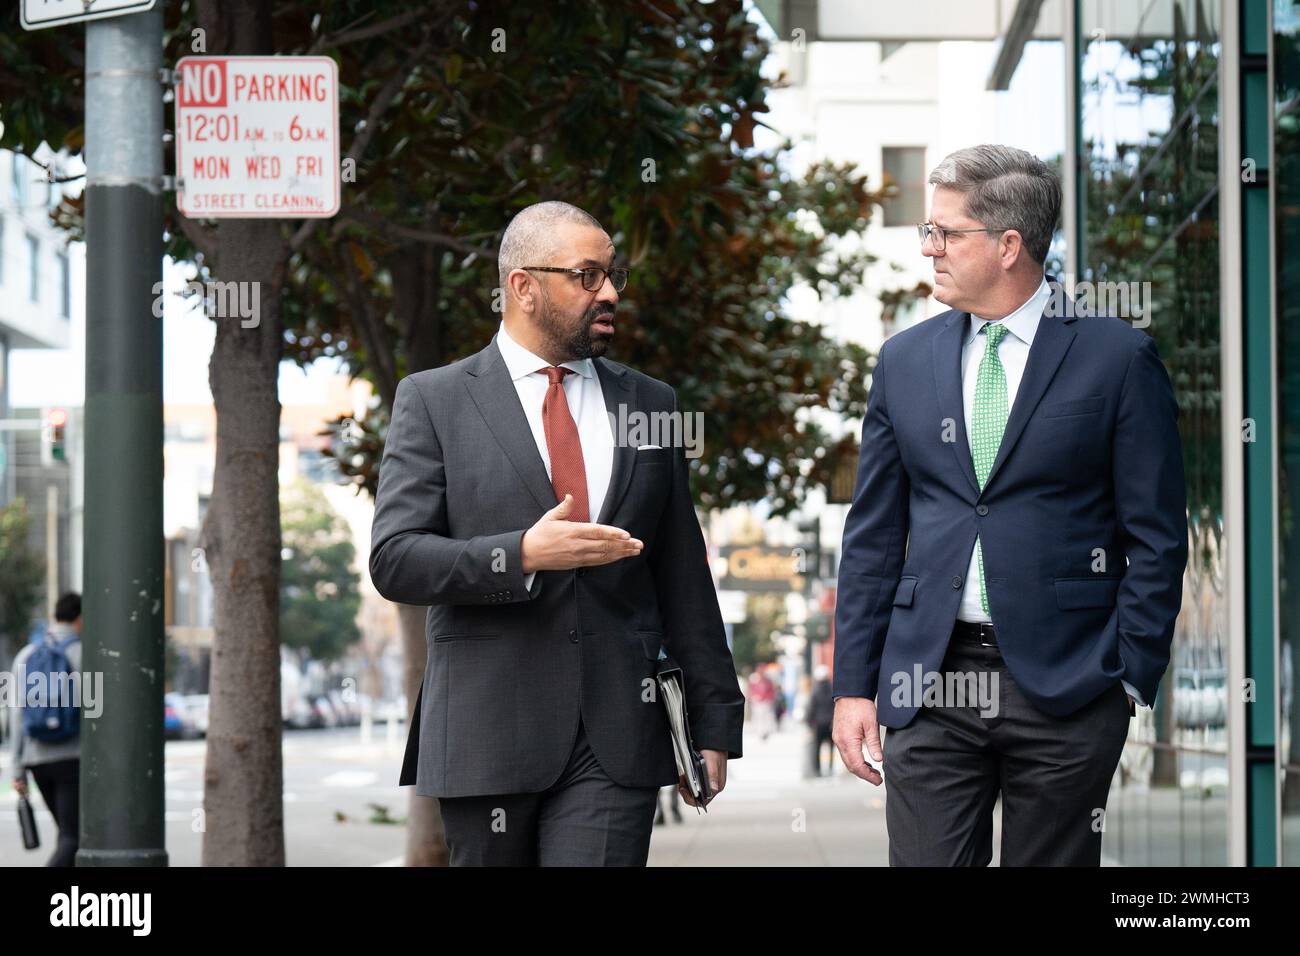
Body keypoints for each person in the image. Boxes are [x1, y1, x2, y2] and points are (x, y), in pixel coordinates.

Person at [832, 144, 1187, 866]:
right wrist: (853, 687)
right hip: (929, 682)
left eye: (945, 232)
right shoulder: (903, 362)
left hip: (1070, 685)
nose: (929, 248)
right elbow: (872, 537)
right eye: (927, 232)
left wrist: (1127, 675)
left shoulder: (1116, 358)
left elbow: (1155, 533)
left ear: (1009, 245)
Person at [369, 200, 744, 866]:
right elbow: (397, 560)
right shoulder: (434, 400)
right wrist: (518, 555)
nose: (611, 293)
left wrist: (714, 721)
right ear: (524, 287)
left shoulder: (650, 404)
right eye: (588, 275)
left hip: (616, 738)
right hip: (486, 737)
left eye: (612, 275)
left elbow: (682, 572)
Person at [10, 592, 84, 867]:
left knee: (68, 835)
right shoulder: (84, 653)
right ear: (80, 618)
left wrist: (17, 767)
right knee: (73, 838)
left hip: (37, 760)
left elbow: (16, 715)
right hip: (72, 758)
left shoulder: (26, 656)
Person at [807, 665, 835, 776]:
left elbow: (811, 708)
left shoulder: (815, 690)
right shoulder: (833, 689)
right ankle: (830, 768)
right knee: (831, 747)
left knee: (817, 748)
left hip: (818, 723)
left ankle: (817, 769)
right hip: (831, 723)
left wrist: (809, 723)